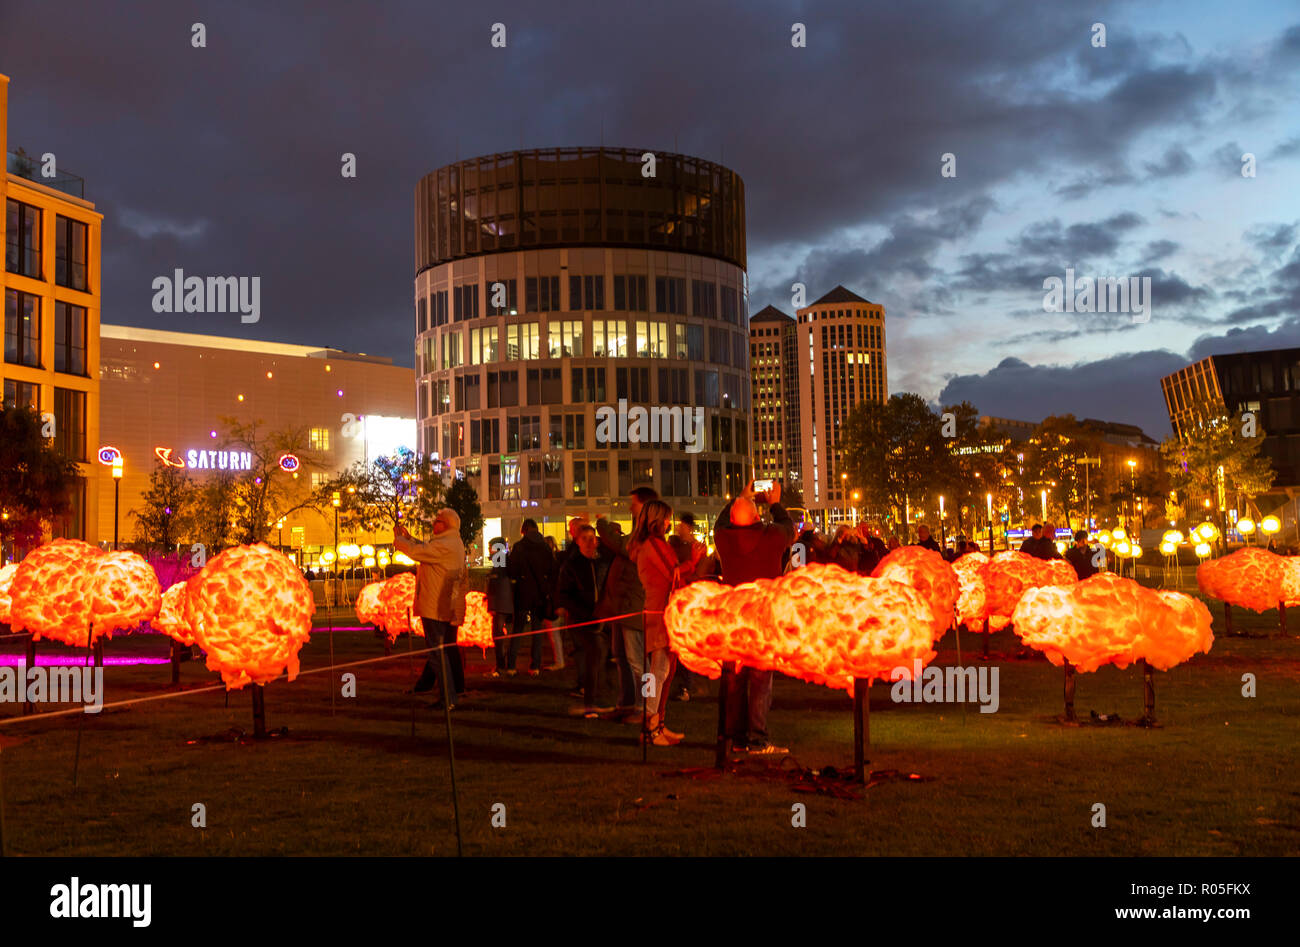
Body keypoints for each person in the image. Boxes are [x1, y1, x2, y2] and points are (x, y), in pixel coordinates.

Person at [714, 480, 795, 755]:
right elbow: (790, 529)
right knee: (761, 682)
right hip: (762, 619)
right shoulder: (772, 536)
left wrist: (739, 496)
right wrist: (774, 503)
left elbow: (720, 523)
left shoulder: (724, 539)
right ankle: (757, 739)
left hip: (734, 620)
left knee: (735, 680)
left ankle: (734, 738)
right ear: (758, 516)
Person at [629, 500, 705, 745]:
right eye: (666, 519)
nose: (669, 524)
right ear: (657, 520)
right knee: (657, 671)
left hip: (663, 609)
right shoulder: (653, 545)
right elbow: (672, 571)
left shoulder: (652, 545)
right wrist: (692, 560)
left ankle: (657, 723)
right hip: (658, 612)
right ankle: (649, 725)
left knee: (665, 670)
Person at [394, 509, 468, 710]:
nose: (434, 524)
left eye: (438, 521)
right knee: (440, 651)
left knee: (437, 653)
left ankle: (448, 698)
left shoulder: (447, 545)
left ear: (448, 525)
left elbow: (419, 552)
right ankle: (449, 693)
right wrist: (411, 538)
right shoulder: (450, 542)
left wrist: (400, 540)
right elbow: (426, 548)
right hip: (443, 605)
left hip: (435, 606)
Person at [596, 486, 658, 722]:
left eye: (634, 503)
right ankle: (627, 703)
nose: (630, 507)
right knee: (622, 657)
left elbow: (623, 547)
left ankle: (647, 708)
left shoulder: (646, 536)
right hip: (623, 607)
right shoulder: (638, 532)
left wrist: (602, 525)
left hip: (635, 607)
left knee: (639, 661)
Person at [554, 524, 614, 717]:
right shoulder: (572, 566)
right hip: (581, 620)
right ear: (577, 542)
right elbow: (564, 594)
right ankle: (591, 701)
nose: (589, 542)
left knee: (600, 655)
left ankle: (597, 698)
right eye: (584, 538)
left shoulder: (601, 563)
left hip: (601, 619)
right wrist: (581, 612)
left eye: (592, 538)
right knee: (594, 653)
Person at [507, 519, 556, 676]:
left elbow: (512, 570)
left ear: (525, 530)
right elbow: (553, 569)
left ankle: (511, 666)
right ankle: (535, 666)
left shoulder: (519, 547)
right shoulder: (545, 548)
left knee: (518, 630)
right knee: (537, 631)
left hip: (523, 594)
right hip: (540, 595)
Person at [485, 537, 514, 677]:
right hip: (504, 604)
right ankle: (503, 664)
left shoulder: (500, 562)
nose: (489, 550)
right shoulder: (505, 561)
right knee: (499, 634)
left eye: (490, 547)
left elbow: (497, 584)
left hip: (500, 604)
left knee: (498, 634)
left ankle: (501, 665)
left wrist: (493, 605)